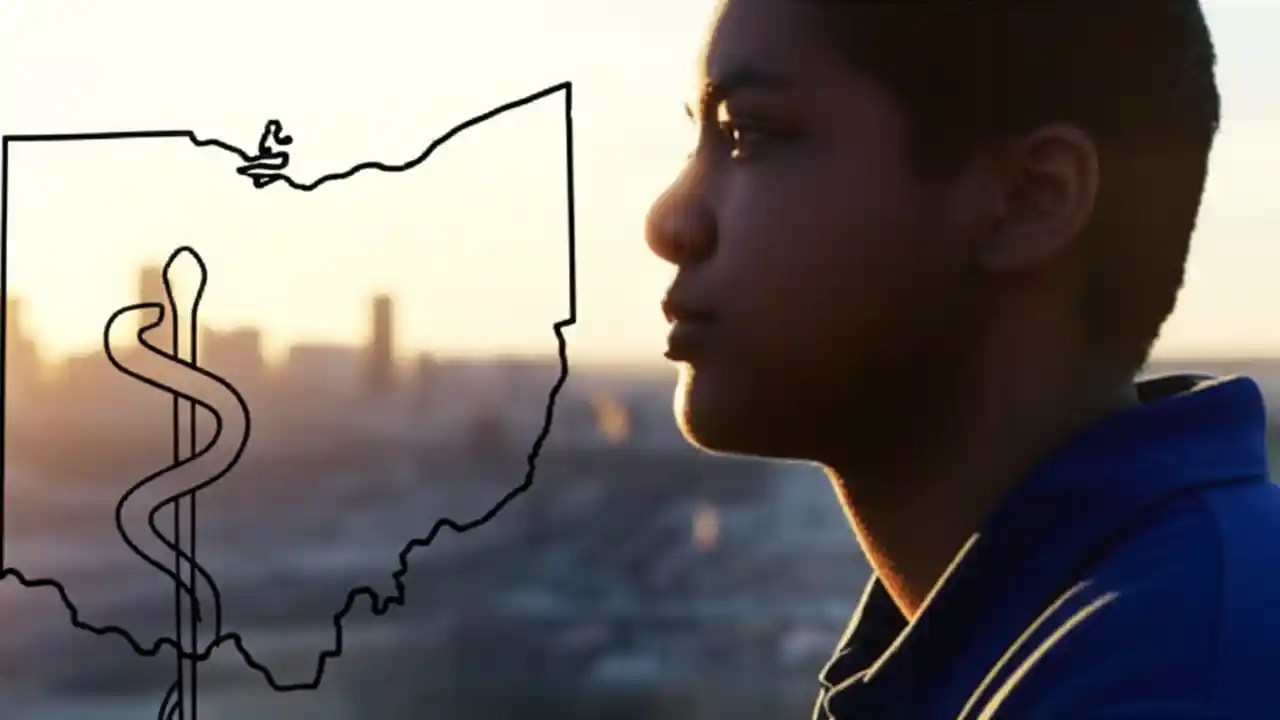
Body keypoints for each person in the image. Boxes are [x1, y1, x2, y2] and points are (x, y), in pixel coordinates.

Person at [644, 1, 1278, 717]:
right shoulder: (1068, 633)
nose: (670, 222)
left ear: (1027, 201)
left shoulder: (1176, 681)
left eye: (748, 133)